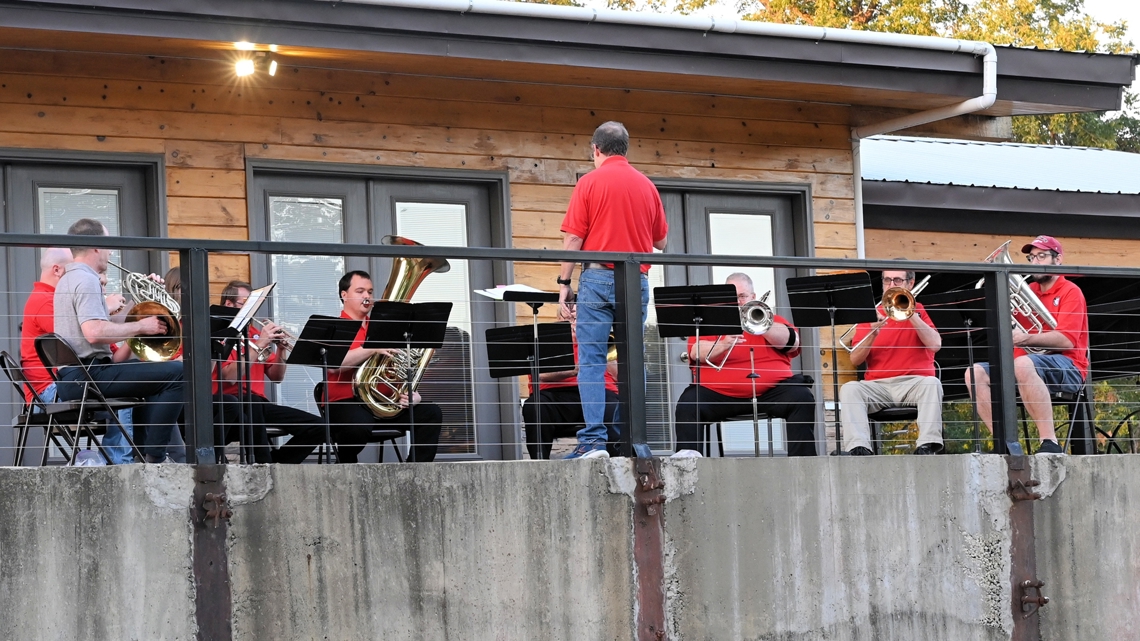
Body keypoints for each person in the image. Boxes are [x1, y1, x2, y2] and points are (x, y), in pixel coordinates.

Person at [556, 121, 669, 459]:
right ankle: (630, 439)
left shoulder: (589, 182)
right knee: (632, 361)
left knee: (591, 360)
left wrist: (564, 284)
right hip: (636, 280)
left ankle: (593, 442)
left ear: (596, 149)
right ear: (625, 149)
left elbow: (573, 239)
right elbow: (661, 242)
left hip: (597, 277)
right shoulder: (647, 185)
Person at [53, 218, 184, 464]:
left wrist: (142, 300)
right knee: (180, 373)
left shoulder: (69, 278)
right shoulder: (87, 280)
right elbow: (94, 332)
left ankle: (143, 456)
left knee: (154, 377)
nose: (111, 252)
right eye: (109, 245)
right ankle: (155, 458)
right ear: (96, 246)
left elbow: (105, 323)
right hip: (88, 376)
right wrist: (142, 326)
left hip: (76, 377)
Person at [965, 236, 1088, 455]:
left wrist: (1026, 339)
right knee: (973, 373)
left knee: (1022, 364)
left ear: (1058, 259)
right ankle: (1003, 442)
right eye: (1031, 258)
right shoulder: (1027, 289)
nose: (1035, 262)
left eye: (1042, 256)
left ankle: (1050, 442)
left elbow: (1066, 340)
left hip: (1068, 366)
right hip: (1024, 364)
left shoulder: (1071, 291)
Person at [673, 273, 817, 457]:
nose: (738, 302)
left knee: (802, 397)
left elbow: (793, 343)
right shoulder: (710, 322)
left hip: (770, 393)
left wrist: (762, 323)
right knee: (688, 404)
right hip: (719, 395)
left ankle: (802, 465)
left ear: (753, 297)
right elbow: (695, 351)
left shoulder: (773, 319)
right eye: (732, 297)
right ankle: (687, 466)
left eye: (742, 296)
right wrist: (723, 344)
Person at [315, 270, 441, 463]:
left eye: (370, 291)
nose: (367, 296)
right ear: (344, 295)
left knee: (431, 413)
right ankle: (347, 467)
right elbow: (333, 365)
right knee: (357, 426)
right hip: (345, 402)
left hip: (384, 403)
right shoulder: (334, 327)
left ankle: (413, 473)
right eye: (360, 291)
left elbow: (398, 368)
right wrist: (372, 348)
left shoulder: (384, 328)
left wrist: (411, 393)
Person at [216, 280, 323, 464]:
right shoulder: (221, 334)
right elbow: (230, 377)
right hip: (232, 402)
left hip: (258, 404)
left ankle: (276, 463)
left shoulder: (254, 333)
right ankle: (262, 463)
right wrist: (259, 345)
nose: (251, 312)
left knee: (318, 427)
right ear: (229, 304)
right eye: (245, 305)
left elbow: (276, 377)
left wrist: (281, 350)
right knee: (252, 402)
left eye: (254, 307)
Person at [840, 267, 944, 456]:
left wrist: (911, 314)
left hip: (913, 383)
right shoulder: (871, 314)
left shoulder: (919, 310)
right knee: (850, 389)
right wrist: (873, 332)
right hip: (877, 386)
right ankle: (859, 448)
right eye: (887, 280)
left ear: (910, 284)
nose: (891, 285)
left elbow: (935, 344)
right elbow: (855, 359)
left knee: (932, 384)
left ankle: (927, 446)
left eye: (897, 280)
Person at [522, 300, 620, 460]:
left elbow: (618, 376)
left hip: (598, 391)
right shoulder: (548, 339)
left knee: (616, 407)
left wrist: (601, 351)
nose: (573, 321)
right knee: (534, 406)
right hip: (556, 395)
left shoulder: (599, 338)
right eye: (568, 318)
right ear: (559, 319)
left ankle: (617, 461)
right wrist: (576, 369)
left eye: (577, 317)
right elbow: (540, 375)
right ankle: (539, 464)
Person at [19, 248, 73, 405]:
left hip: (50, 388)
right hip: (48, 391)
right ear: (57, 270)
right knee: (122, 386)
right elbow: (76, 341)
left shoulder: (50, 299)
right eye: (73, 270)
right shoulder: (45, 301)